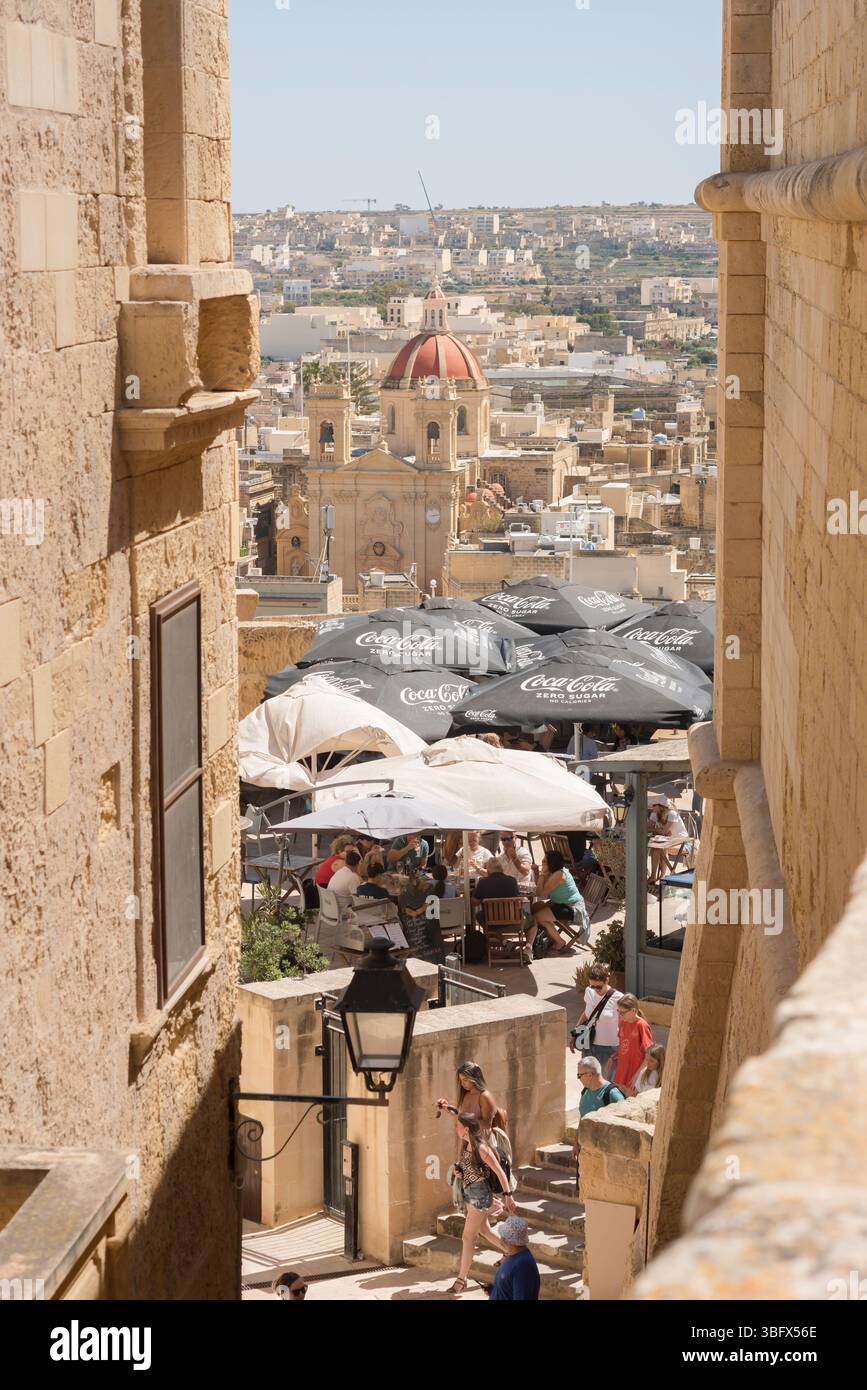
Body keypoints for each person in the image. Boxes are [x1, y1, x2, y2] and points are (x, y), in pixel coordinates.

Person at [448, 1112, 516, 1296]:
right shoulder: (467, 1145)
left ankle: (461, 1280)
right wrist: (460, 1172)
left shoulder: (482, 1148)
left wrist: (508, 1195)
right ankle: (513, 1252)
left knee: (467, 1237)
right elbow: (471, 1170)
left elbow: (500, 1172)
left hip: (479, 1197)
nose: (456, 1128)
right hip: (470, 1194)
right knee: (484, 1231)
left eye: (458, 1125)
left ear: (466, 1128)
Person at [531, 850, 587, 952]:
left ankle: (559, 942)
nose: (542, 861)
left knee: (538, 917)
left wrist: (542, 874)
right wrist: (537, 872)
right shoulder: (554, 872)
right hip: (560, 903)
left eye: (544, 861)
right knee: (534, 908)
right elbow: (540, 886)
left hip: (573, 908)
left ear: (551, 863)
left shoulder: (559, 874)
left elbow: (540, 892)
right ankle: (548, 936)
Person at [570, 962, 622, 1072]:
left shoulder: (618, 998)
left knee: (605, 1083)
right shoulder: (589, 992)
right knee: (588, 1081)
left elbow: (624, 1024)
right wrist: (575, 1034)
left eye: (599, 986)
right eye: (593, 986)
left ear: (606, 981)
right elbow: (586, 1014)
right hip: (588, 1044)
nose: (596, 989)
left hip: (608, 1048)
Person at [488, 1216, 540, 1301]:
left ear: (508, 1240)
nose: (500, 1237)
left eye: (502, 1234)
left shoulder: (523, 1266)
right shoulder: (511, 1256)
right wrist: (493, 1290)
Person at [613, 995, 655, 1092]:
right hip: (622, 1072)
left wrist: (637, 1075)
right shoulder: (624, 1022)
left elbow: (649, 1054)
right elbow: (624, 1045)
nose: (620, 1015)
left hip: (634, 1074)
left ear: (633, 1011)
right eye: (618, 1011)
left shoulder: (642, 1025)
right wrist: (614, 1056)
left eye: (622, 1013)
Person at [647, 794, 689, 883]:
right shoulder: (654, 814)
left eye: (654, 805)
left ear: (660, 806)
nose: (652, 807)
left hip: (682, 843)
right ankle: (656, 876)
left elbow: (664, 832)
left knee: (659, 849)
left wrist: (656, 830)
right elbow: (646, 828)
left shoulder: (672, 814)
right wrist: (657, 830)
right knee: (654, 849)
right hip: (667, 841)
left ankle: (659, 876)